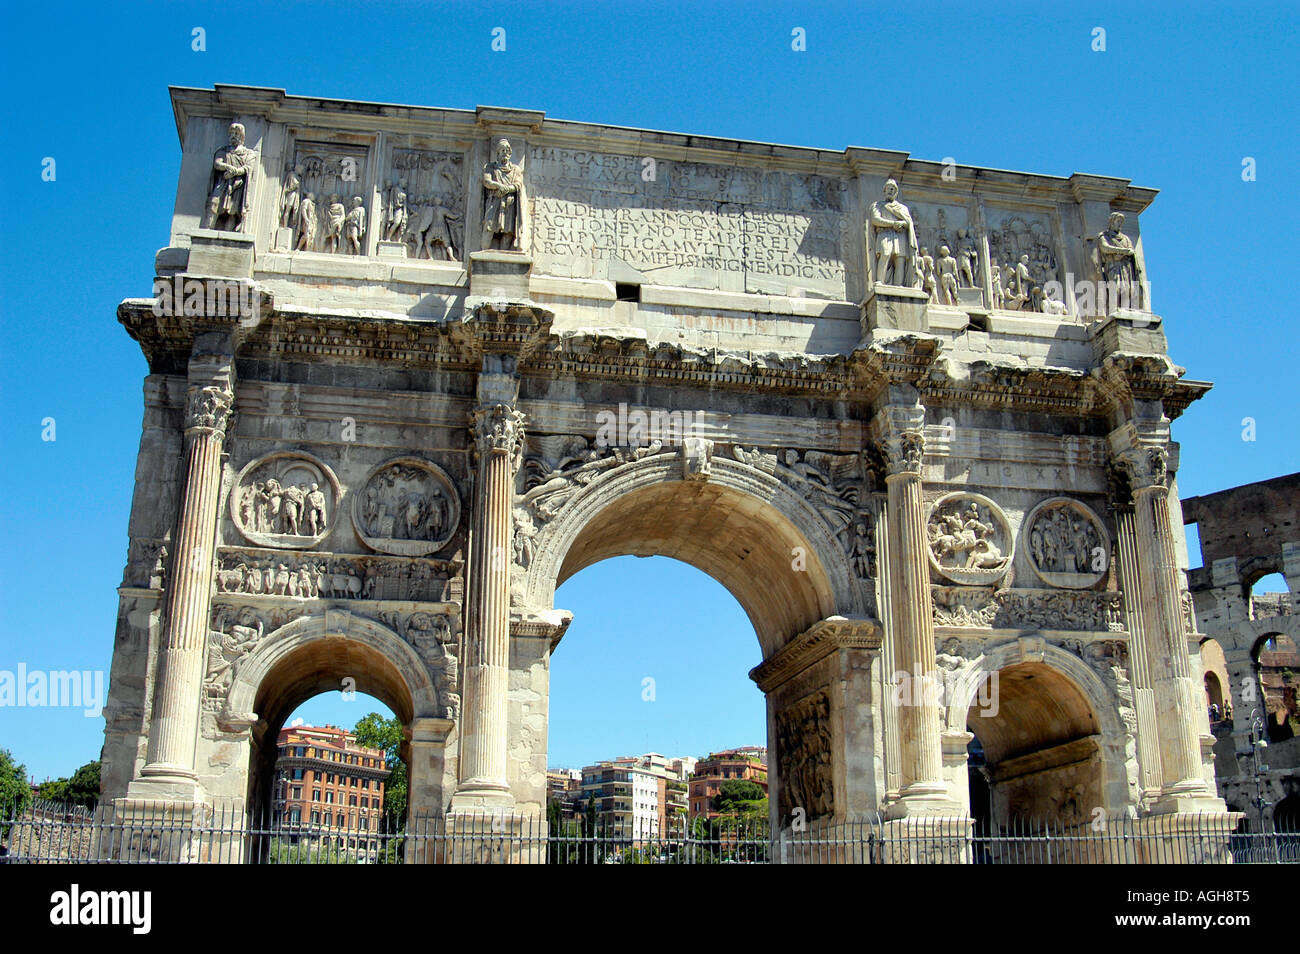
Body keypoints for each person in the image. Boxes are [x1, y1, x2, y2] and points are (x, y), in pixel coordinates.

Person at [204, 122, 257, 232]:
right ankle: (207, 229)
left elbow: (248, 167)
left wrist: (236, 171)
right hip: (223, 183)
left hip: (237, 185)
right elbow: (217, 163)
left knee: (234, 209)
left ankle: (228, 233)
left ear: (242, 136)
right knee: (213, 203)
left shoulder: (248, 153)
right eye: (232, 133)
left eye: (236, 133)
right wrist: (228, 167)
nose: (233, 136)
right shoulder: (222, 151)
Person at [868, 179, 918, 287]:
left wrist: (902, 224)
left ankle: (899, 285)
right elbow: (875, 220)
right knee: (885, 254)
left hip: (900, 236)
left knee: (900, 259)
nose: (890, 191)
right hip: (884, 234)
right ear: (884, 191)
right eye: (888, 189)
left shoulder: (902, 208)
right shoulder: (877, 205)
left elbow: (908, 222)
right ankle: (880, 281)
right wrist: (893, 223)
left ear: (896, 192)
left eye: (893, 189)